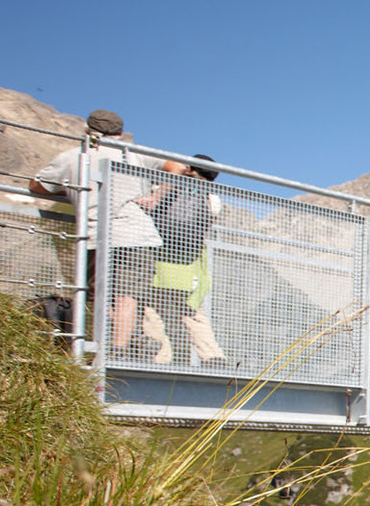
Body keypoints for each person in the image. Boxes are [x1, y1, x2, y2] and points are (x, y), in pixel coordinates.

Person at [28, 110, 171, 363]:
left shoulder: (74, 157)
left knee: (96, 297)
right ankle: (117, 353)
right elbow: (177, 167)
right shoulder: (133, 154)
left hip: (94, 235)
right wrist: (156, 196)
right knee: (128, 296)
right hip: (136, 234)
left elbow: (37, 185)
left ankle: (93, 351)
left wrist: (72, 191)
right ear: (120, 133)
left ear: (87, 131)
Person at [143, 156, 230, 367]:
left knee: (151, 308)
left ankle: (158, 357)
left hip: (158, 259)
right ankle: (212, 356)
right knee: (192, 312)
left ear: (188, 167)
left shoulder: (166, 186)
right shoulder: (212, 200)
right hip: (189, 262)